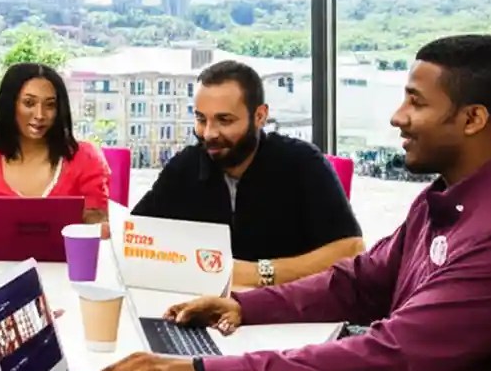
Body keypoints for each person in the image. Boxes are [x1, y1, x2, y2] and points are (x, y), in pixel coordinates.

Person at [80, 35, 491, 371]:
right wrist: (245, 305)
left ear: (474, 118)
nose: (397, 117)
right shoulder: (453, 198)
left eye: (416, 102)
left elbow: (386, 357)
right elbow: (360, 280)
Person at [131, 60, 363, 288]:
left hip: (291, 311)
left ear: (260, 116)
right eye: (202, 119)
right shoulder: (185, 166)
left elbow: (351, 250)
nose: (209, 133)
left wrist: (256, 273)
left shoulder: (301, 162)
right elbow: (136, 236)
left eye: (224, 120)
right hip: (203, 309)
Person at [0, 63, 110, 246]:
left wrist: (99, 226)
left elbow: (98, 221)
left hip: (66, 266)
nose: (40, 115)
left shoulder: (85, 157)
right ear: (10, 104)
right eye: (29, 103)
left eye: (50, 105)